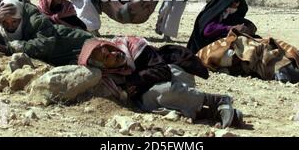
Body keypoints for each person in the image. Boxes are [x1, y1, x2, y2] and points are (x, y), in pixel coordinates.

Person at [78, 37, 244, 128]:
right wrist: (131, 88)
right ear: (103, 67)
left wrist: (134, 81)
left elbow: (162, 71)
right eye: (107, 57)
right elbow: (127, 95)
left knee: (163, 91)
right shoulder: (110, 77)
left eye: (110, 49)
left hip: (175, 72)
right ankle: (211, 113)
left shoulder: (132, 46)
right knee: (147, 105)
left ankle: (218, 100)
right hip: (156, 88)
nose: (115, 53)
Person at [0, 0, 93, 66]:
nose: (10, 26)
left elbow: (46, 44)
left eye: (15, 22)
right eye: (5, 22)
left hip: (69, 43)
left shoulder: (34, 19)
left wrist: (8, 48)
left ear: (21, 18)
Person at [187, 0, 258, 54]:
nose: (236, 7)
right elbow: (208, 30)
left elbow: (240, 21)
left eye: (237, 5)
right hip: (204, 45)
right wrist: (231, 28)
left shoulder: (228, 14)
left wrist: (247, 28)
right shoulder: (212, 14)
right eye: (234, 4)